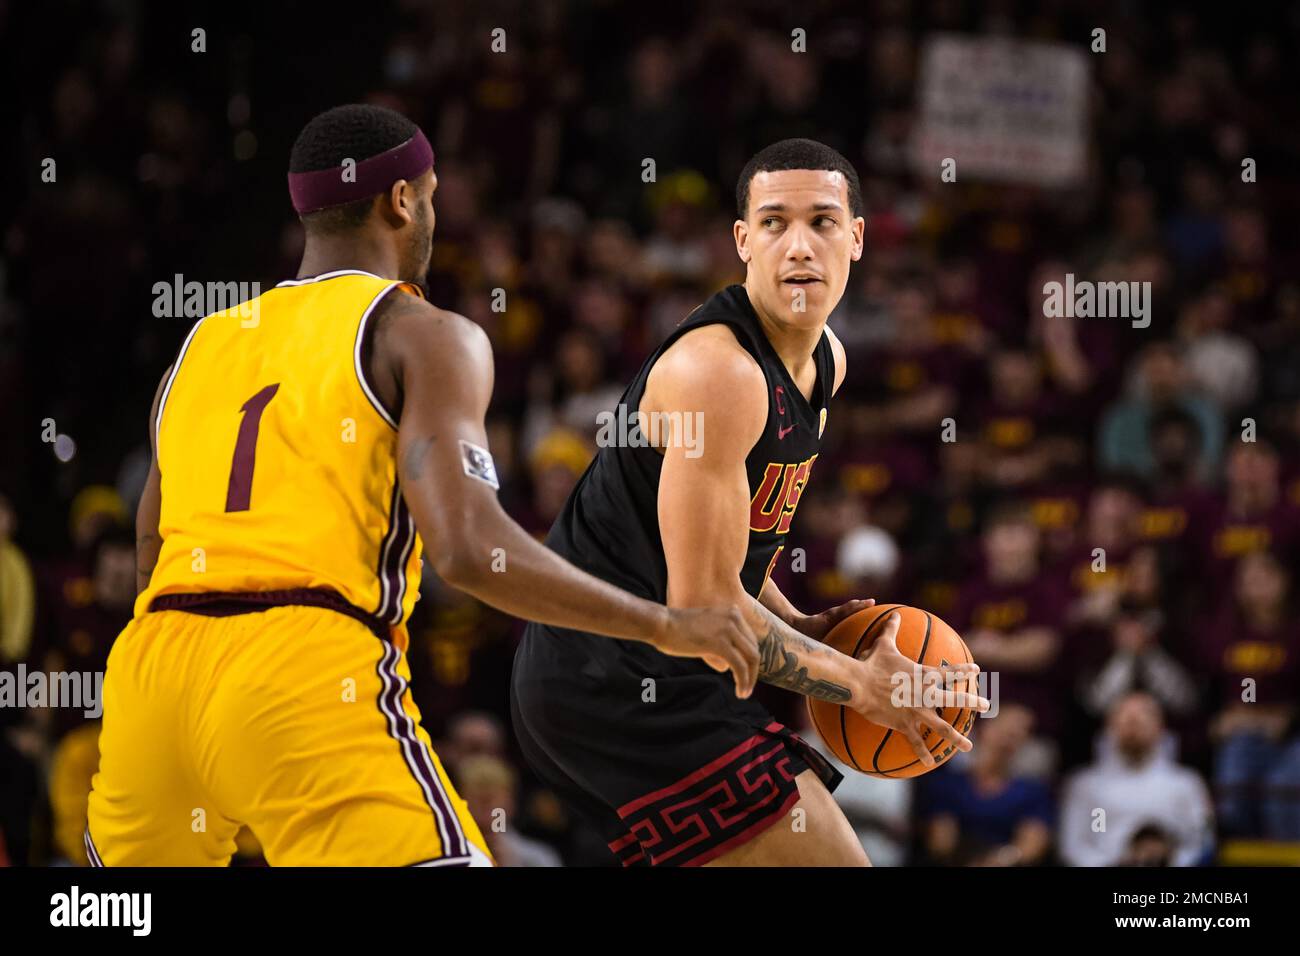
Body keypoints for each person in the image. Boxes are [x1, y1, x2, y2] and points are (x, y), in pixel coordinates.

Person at [87, 104, 761, 868]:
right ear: (402, 200)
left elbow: (151, 551)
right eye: (432, 195)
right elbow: (472, 552)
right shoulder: (421, 332)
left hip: (152, 679)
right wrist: (664, 625)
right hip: (301, 669)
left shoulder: (198, 348)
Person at [511, 139, 986, 867]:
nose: (799, 245)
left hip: (628, 671)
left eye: (823, 221)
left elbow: (726, 553)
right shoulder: (718, 374)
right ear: (741, 241)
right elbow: (705, 609)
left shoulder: (826, 357)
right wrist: (859, 683)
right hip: (609, 676)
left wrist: (797, 622)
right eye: (773, 223)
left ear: (858, 237)